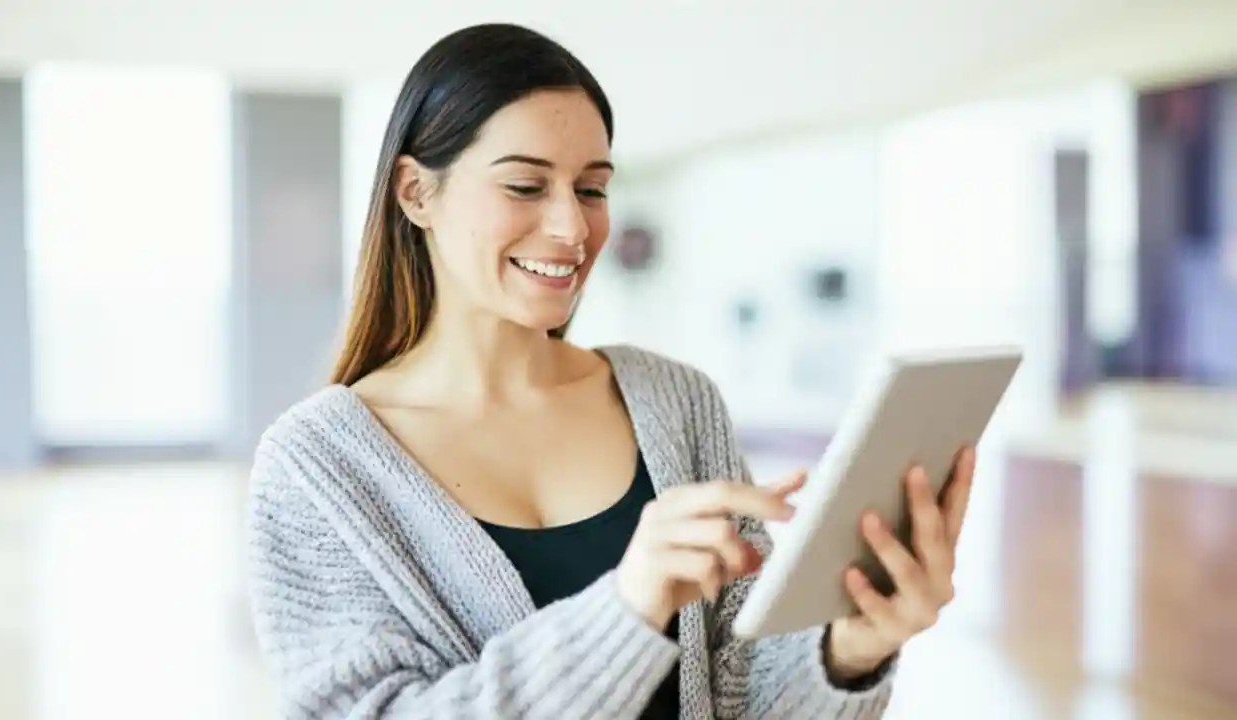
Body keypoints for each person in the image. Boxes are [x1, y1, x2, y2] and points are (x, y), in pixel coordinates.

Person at [247, 22, 976, 719]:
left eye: (592, 188)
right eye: (526, 187)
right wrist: (626, 609)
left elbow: (745, 690)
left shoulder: (677, 403)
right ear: (415, 193)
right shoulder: (317, 467)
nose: (572, 228)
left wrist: (851, 648)